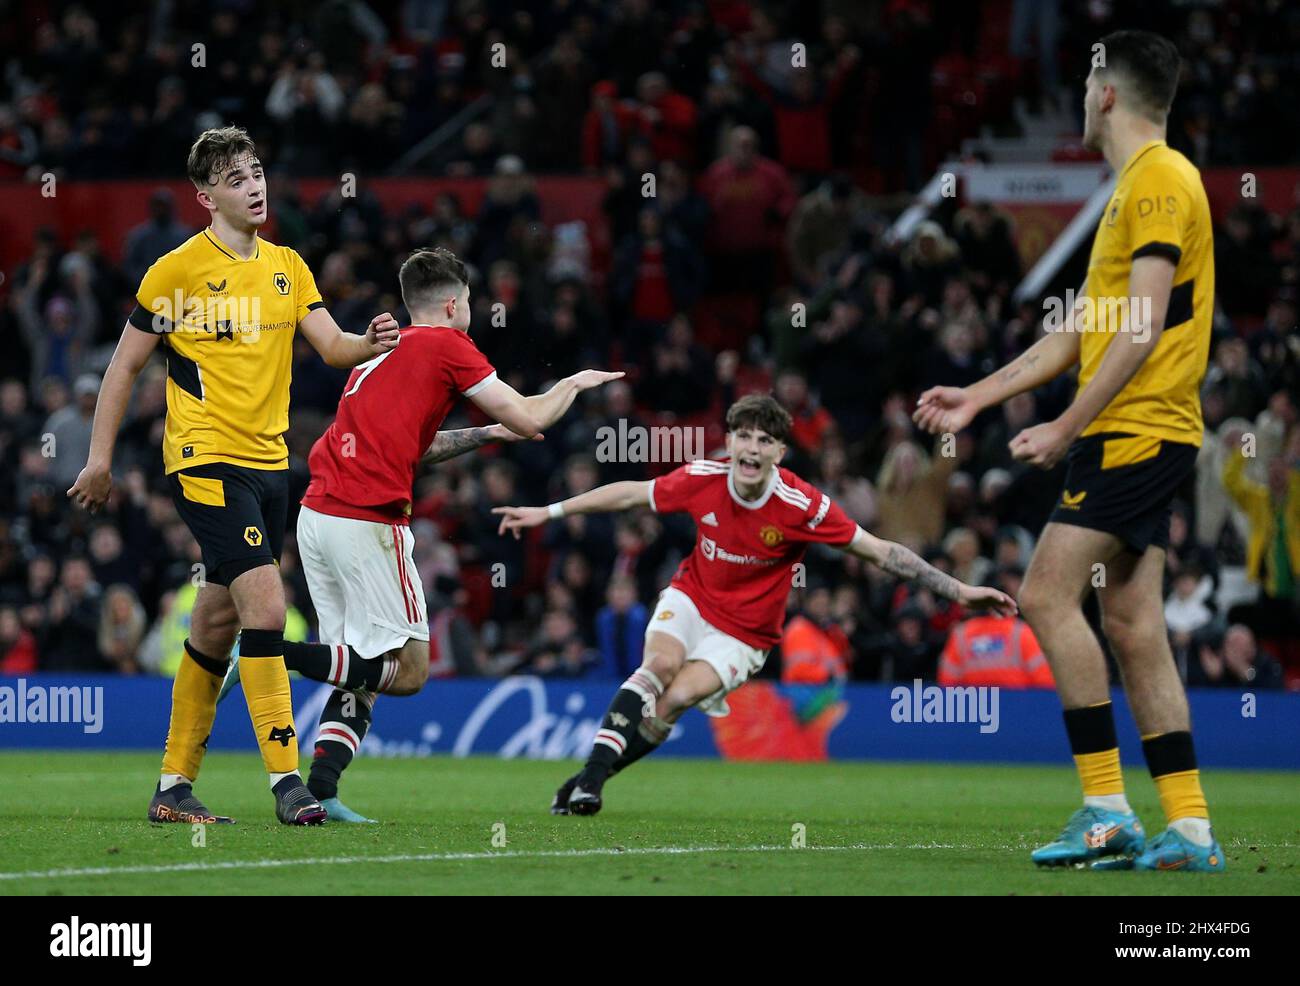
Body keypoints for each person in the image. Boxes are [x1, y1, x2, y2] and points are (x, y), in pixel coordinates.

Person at [914, 32, 1223, 872]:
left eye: (1088, 81)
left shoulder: (1159, 179)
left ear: (1108, 94)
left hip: (1139, 427)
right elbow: (1078, 332)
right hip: (1140, 429)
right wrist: (980, 394)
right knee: (1131, 621)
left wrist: (1066, 424)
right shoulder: (1135, 189)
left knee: (1046, 596)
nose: (1083, 96)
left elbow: (1141, 323)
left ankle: (1106, 808)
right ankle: (1190, 828)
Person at [66, 125, 402, 826]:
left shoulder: (288, 267)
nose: (254, 186)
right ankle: (287, 782)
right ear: (205, 197)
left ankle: (172, 788)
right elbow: (125, 366)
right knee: (267, 609)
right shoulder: (177, 271)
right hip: (204, 459)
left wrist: (367, 343)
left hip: (271, 467)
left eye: (256, 172)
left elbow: (332, 345)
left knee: (216, 622)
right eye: (236, 178)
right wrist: (99, 458)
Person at [220, 247, 623, 821]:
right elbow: (531, 418)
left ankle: (323, 792)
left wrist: (484, 433)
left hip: (318, 516)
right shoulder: (450, 346)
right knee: (409, 672)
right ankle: (274, 653)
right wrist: (573, 385)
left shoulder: (378, 353)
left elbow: (416, 449)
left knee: (358, 667)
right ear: (455, 304)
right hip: (367, 520)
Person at [494, 394, 1015, 816]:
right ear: (730, 441)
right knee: (659, 666)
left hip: (745, 634)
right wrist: (550, 511)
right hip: (691, 599)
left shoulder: (800, 505)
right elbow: (632, 493)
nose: (751, 448)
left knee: (674, 701)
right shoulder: (703, 477)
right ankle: (591, 782)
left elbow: (883, 552)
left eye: (765, 440)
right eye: (743, 436)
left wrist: (960, 590)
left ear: (779, 453)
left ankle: (591, 774)